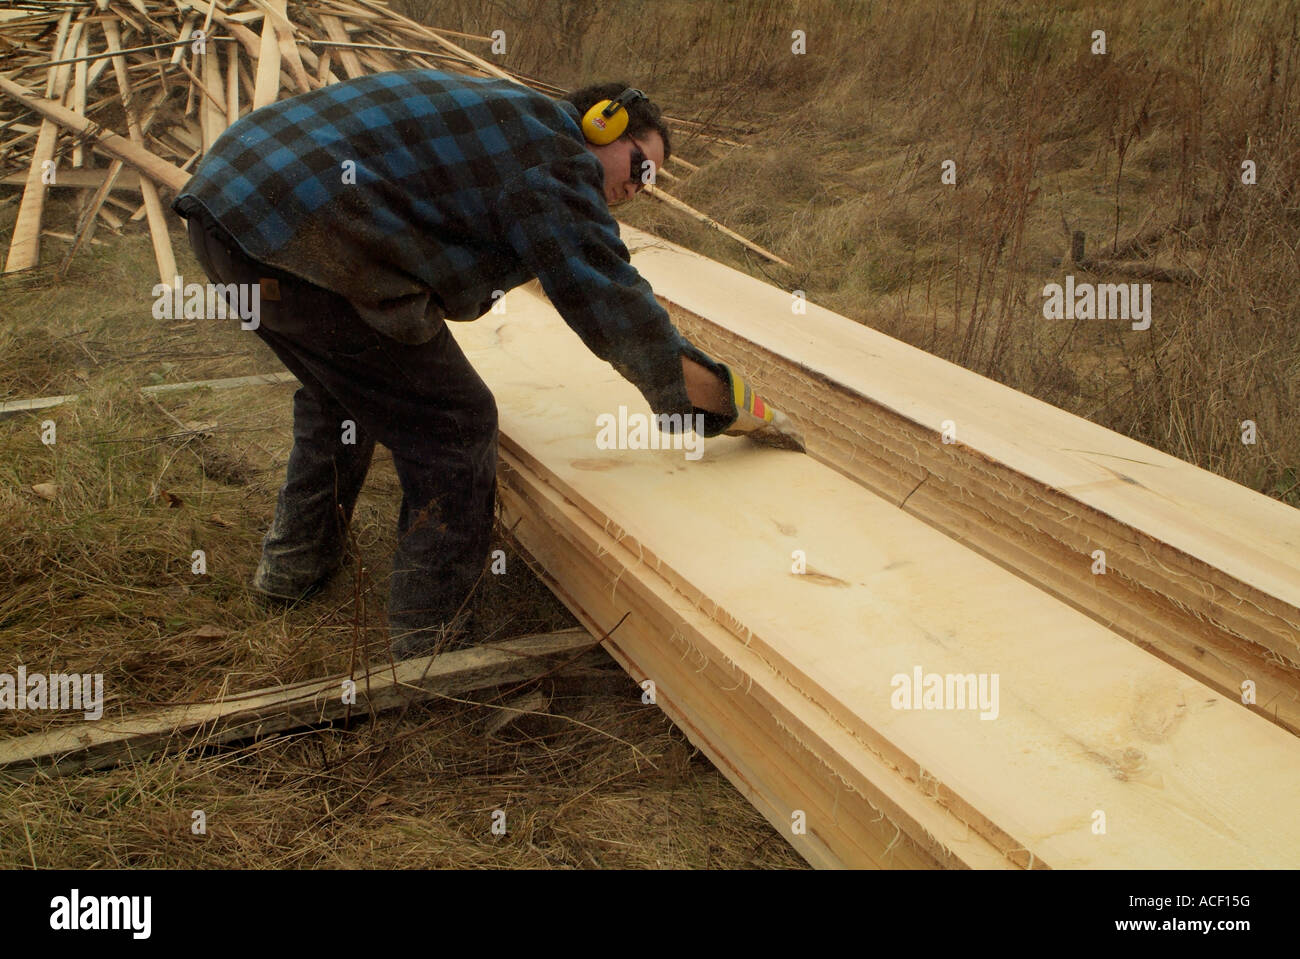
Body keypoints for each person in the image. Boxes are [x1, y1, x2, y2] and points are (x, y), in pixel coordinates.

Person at [173, 69, 800, 659]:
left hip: (229, 217)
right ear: (602, 125)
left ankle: (291, 572)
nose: (636, 188)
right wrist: (709, 394)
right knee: (455, 425)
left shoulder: (506, 119)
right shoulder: (553, 155)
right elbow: (603, 292)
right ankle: (431, 646)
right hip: (302, 230)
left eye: (651, 183)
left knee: (342, 395)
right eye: (640, 166)